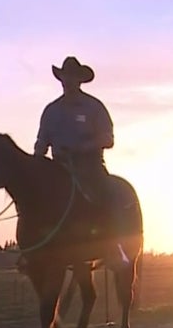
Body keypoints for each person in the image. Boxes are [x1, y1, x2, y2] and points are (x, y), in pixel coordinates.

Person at [34, 56, 129, 264]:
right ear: (61, 79)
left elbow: (108, 139)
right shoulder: (51, 111)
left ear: (79, 80)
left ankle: (114, 244)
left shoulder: (94, 107)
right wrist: (36, 159)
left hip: (90, 166)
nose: (68, 81)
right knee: (33, 198)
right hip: (57, 167)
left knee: (107, 193)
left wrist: (83, 147)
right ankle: (32, 249)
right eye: (65, 76)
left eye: (73, 77)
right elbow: (42, 141)